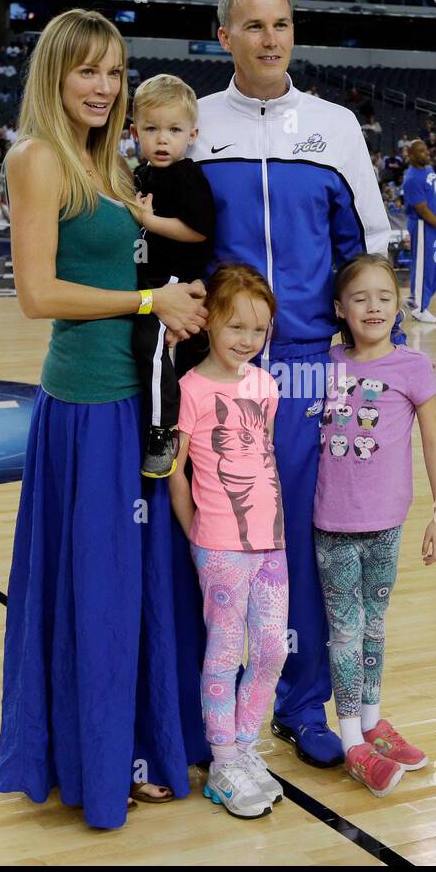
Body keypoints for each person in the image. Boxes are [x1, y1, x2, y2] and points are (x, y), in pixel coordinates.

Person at [0, 8, 208, 830]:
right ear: (55, 74)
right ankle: (92, 758)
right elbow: (36, 294)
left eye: (115, 72)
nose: (104, 86)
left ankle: (138, 745)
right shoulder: (38, 158)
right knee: (98, 593)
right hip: (83, 411)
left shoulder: (113, 164)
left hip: (137, 404)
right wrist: (150, 298)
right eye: (88, 70)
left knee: (138, 588)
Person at [188, 0, 393, 769]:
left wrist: (367, 363)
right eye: (254, 26)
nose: (271, 39)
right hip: (220, 375)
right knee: (217, 544)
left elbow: (365, 253)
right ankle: (211, 705)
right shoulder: (195, 127)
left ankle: (301, 704)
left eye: (282, 24)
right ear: (224, 37)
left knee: (308, 544)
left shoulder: (337, 127)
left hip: (311, 376)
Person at [315, 254, 436, 795]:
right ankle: (350, 739)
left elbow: (435, 442)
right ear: (339, 308)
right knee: (345, 629)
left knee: (375, 624)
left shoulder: (413, 367)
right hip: (332, 523)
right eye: (361, 297)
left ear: (400, 306)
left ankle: (373, 719)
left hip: (387, 523)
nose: (374, 307)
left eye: (385, 297)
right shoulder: (322, 364)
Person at [169, 263, 288, 819]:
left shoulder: (266, 385)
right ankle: (222, 762)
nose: (247, 340)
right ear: (210, 322)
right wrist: (195, 526)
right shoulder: (189, 389)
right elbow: (175, 468)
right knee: (224, 652)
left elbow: (262, 457)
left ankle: (245, 747)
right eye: (236, 326)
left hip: (272, 543)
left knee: (270, 650)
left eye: (259, 331)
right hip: (219, 545)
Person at [130, 73, 216, 478]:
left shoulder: (188, 176)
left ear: (192, 134)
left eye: (174, 130)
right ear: (135, 133)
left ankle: (162, 429)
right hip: (147, 283)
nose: (162, 139)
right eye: (152, 129)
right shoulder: (140, 174)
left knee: (152, 344)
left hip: (177, 282)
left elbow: (198, 229)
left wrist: (149, 219)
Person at [402, 139, 436, 324]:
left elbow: (433, 195)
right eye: (422, 151)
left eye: (427, 150)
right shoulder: (412, 178)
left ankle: (416, 299)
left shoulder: (429, 169)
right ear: (412, 155)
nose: (427, 154)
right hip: (424, 225)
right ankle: (418, 307)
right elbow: (422, 210)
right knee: (425, 266)